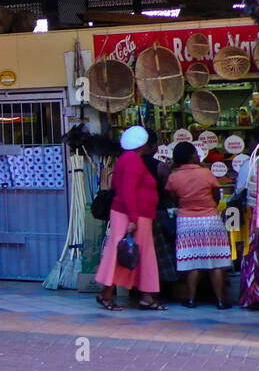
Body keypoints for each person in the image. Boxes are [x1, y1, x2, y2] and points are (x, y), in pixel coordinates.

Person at [95, 125, 165, 311]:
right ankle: (107, 294)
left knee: (134, 254)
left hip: (134, 214)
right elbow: (127, 191)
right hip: (133, 215)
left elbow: (118, 186)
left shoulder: (126, 159)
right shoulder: (133, 160)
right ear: (143, 144)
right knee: (124, 254)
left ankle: (145, 295)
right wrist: (133, 219)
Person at [165, 141, 233, 309]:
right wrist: (210, 206)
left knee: (192, 263)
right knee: (216, 263)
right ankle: (220, 300)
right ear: (191, 156)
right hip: (210, 219)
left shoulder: (173, 177)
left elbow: (174, 198)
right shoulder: (206, 173)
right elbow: (216, 195)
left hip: (186, 221)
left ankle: (190, 299)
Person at [143, 128, 180, 298]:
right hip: (157, 213)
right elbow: (167, 190)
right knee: (160, 255)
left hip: (137, 214)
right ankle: (158, 291)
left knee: (144, 255)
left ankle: (144, 291)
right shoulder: (160, 166)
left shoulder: (128, 162)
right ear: (153, 146)